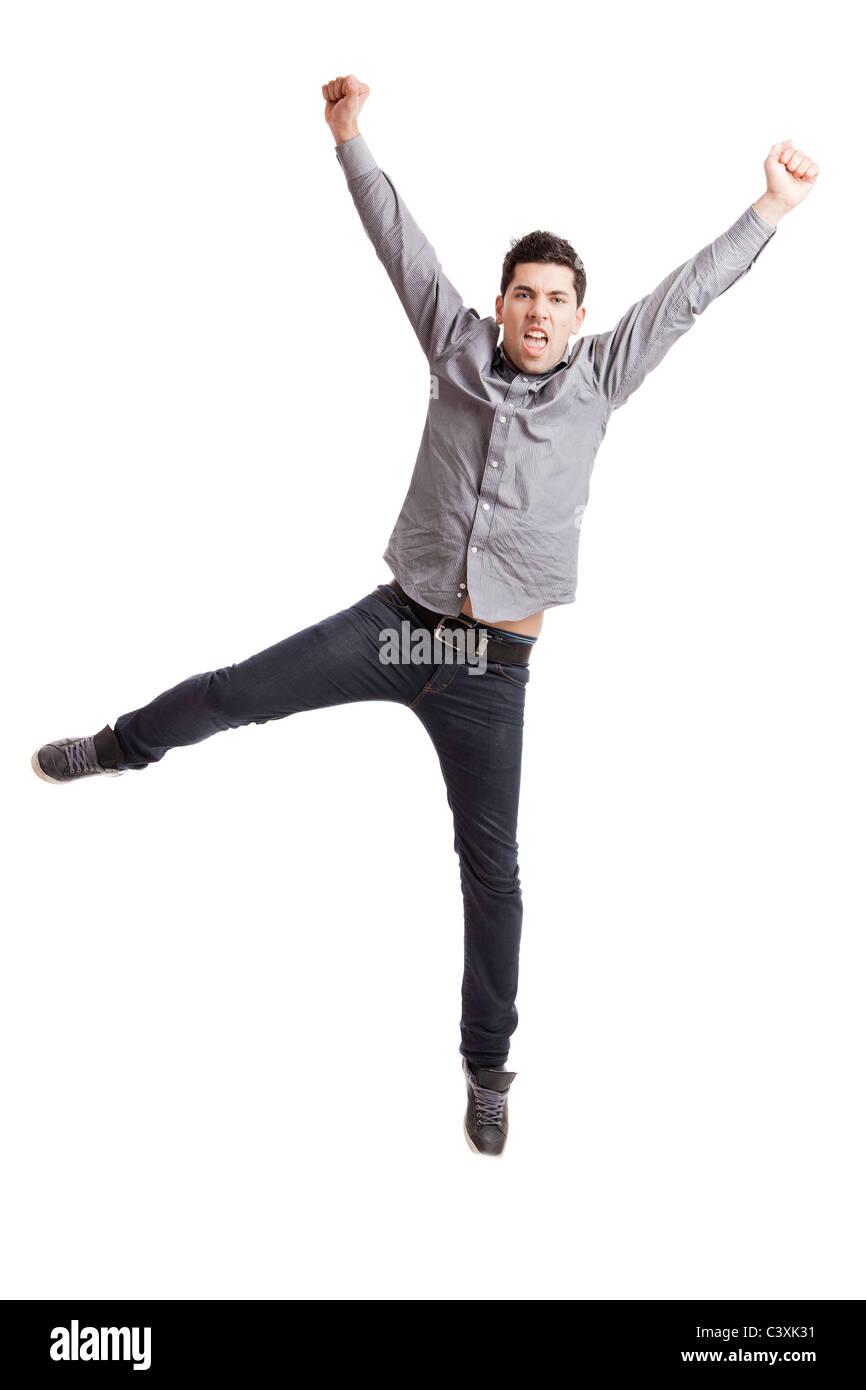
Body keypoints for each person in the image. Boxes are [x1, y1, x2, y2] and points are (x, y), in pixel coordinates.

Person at [31, 74, 819, 1157]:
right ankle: (122, 744)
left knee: (488, 866)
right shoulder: (452, 345)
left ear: (579, 318)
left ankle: (487, 1066)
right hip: (396, 625)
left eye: (557, 298)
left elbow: (684, 294)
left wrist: (767, 208)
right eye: (523, 293)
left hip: (492, 666)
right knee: (235, 692)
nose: (538, 312)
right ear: (501, 305)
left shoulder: (599, 381)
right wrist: (349, 136)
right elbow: (394, 238)